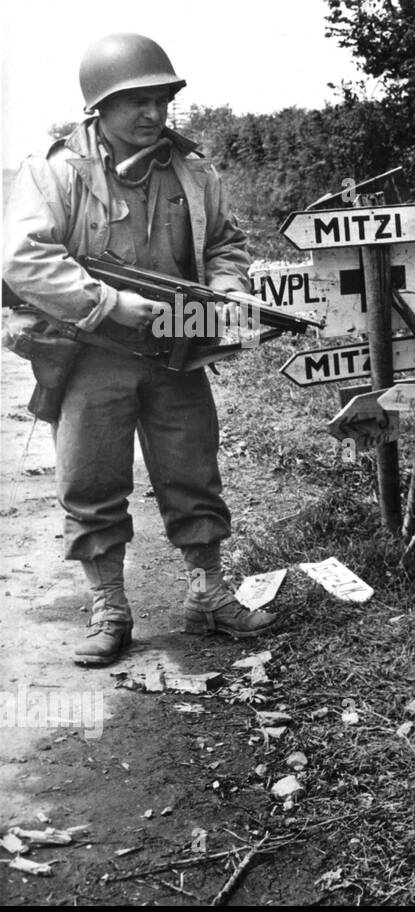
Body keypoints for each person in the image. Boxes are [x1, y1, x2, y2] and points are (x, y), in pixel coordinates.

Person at [3, 33, 276, 665]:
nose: (152, 114)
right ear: (99, 107)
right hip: (89, 351)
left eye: (161, 99)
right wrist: (109, 304)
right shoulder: (56, 172)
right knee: (91, 482)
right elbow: (23, 258)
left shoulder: (194, 170)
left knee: (193, 473)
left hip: (176, 353)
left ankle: (207, 595)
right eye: (136, 102)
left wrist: (227, 287)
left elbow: (226, 245)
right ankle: (110, 609)